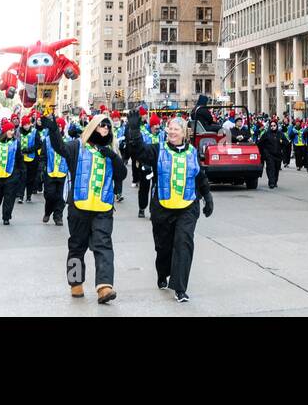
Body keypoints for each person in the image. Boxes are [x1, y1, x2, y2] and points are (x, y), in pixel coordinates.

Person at [125, 109, 213, 302]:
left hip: (188, 206)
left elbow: (199, 176)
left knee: (183, 244)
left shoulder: (192, 152)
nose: (172, 132)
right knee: (163, 247)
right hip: (162, 207)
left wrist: (207, 196)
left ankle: (180, 288)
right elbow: (139, 151)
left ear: (184, 133)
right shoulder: (158, 150)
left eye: (176, 129)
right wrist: (133, 130)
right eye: (169, 128)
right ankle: (162, 272)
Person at [42, 109, 128, 303]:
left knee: (103, 246)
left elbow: (121, 175)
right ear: (93, 127)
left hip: (103, 209)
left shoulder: (112, 152)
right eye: (101, 124)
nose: (105, 128)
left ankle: (104, 287)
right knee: (77, 246)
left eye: (107, 125)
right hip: (79, 208)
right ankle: (76, 283)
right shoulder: (77, 147)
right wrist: (53, 129)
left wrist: (114, 158)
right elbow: (60, 148)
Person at [40, 116, 69, 225]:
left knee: (61, 197)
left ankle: (58, 217)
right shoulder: (47, 140)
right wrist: (41, 168)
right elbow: (43, 156)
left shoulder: (68, 140)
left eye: (61, 127)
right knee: (50, 195)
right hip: (50, 172)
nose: (59, 129)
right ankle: (48, 212)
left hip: (63, 173)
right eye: (58, 126)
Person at [257, 117, 285, 189]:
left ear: (277, 126)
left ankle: (275, 181)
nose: (273, 127)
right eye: (271, 126)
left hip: (278, 154)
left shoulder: (280, 134)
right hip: (269, 154)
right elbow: (260, 143)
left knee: (276, 169)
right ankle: (271, 182)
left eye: (274, 125)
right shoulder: (266, 134)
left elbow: (286, 143)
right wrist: (262, 153)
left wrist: (282, 145)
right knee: (270, 168)